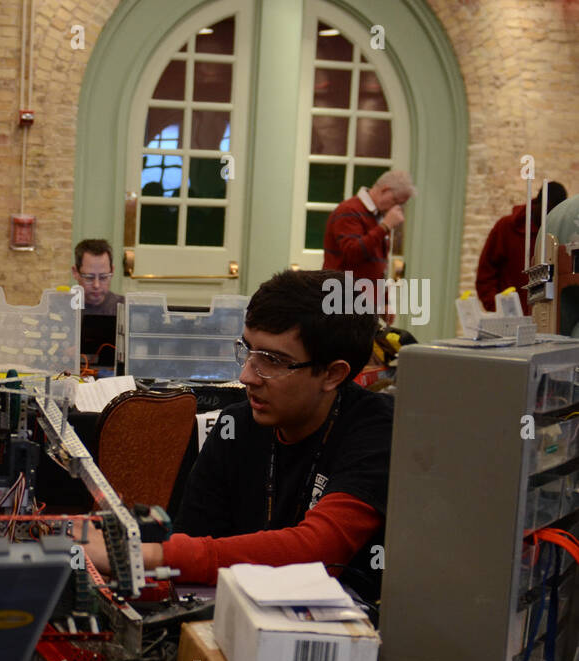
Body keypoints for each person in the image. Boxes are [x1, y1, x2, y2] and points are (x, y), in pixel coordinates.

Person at [85, 269, 392, 601]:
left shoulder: (377, 431)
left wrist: (138, 554)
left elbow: (319, 552)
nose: (246, 375)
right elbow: (189, 556)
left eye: (272, 360)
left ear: (333, 374)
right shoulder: (236, 426)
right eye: (248, 350)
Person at [323, 170, 415, 322]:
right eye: (397, 202)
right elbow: (352, 252)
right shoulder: (349, 211)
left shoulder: (377, 217)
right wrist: (385, 226)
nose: (397, 209)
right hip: (342, 301)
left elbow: (378, 266)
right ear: (385, 190)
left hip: (365, 304)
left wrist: (384, 301)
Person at [477, 182, 567, 314]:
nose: (549, 217)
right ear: (538, 203)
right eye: (547, 211)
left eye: (554, 214)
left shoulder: (558, 234)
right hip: (508, 319)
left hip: (544, 318)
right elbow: (486, 274)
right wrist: (498, 307)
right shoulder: (506, 227)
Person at [72, 238, 123, 368]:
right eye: (89, 278)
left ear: (112, 270)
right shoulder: (58, 309)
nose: (96, 285)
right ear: (75, 273)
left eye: (104, 277)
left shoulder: (125, 309)